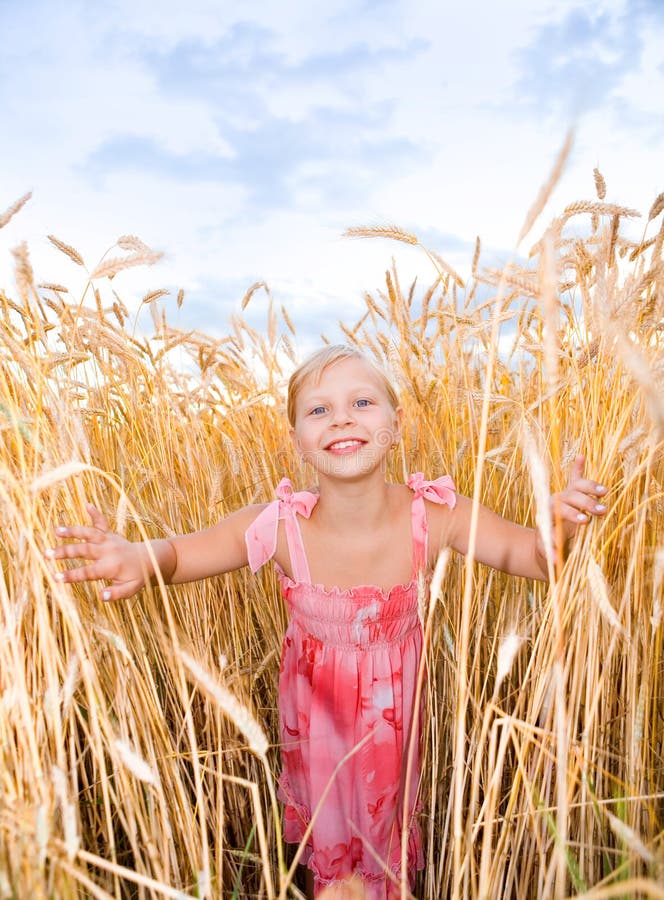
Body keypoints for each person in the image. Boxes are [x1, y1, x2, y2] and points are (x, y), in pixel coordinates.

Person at [46, 345, 608, 899]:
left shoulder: (437, 516)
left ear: (396, 423)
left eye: (362, 402)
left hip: (398, 729)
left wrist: (557, 527)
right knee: (336, 866)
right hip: (320, 730)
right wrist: (137, 557)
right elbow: (181, 554)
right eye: (319, 410)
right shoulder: (282, 528)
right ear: (297, 442)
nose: (341, 417)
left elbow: (534, 559)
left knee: (389, 856)